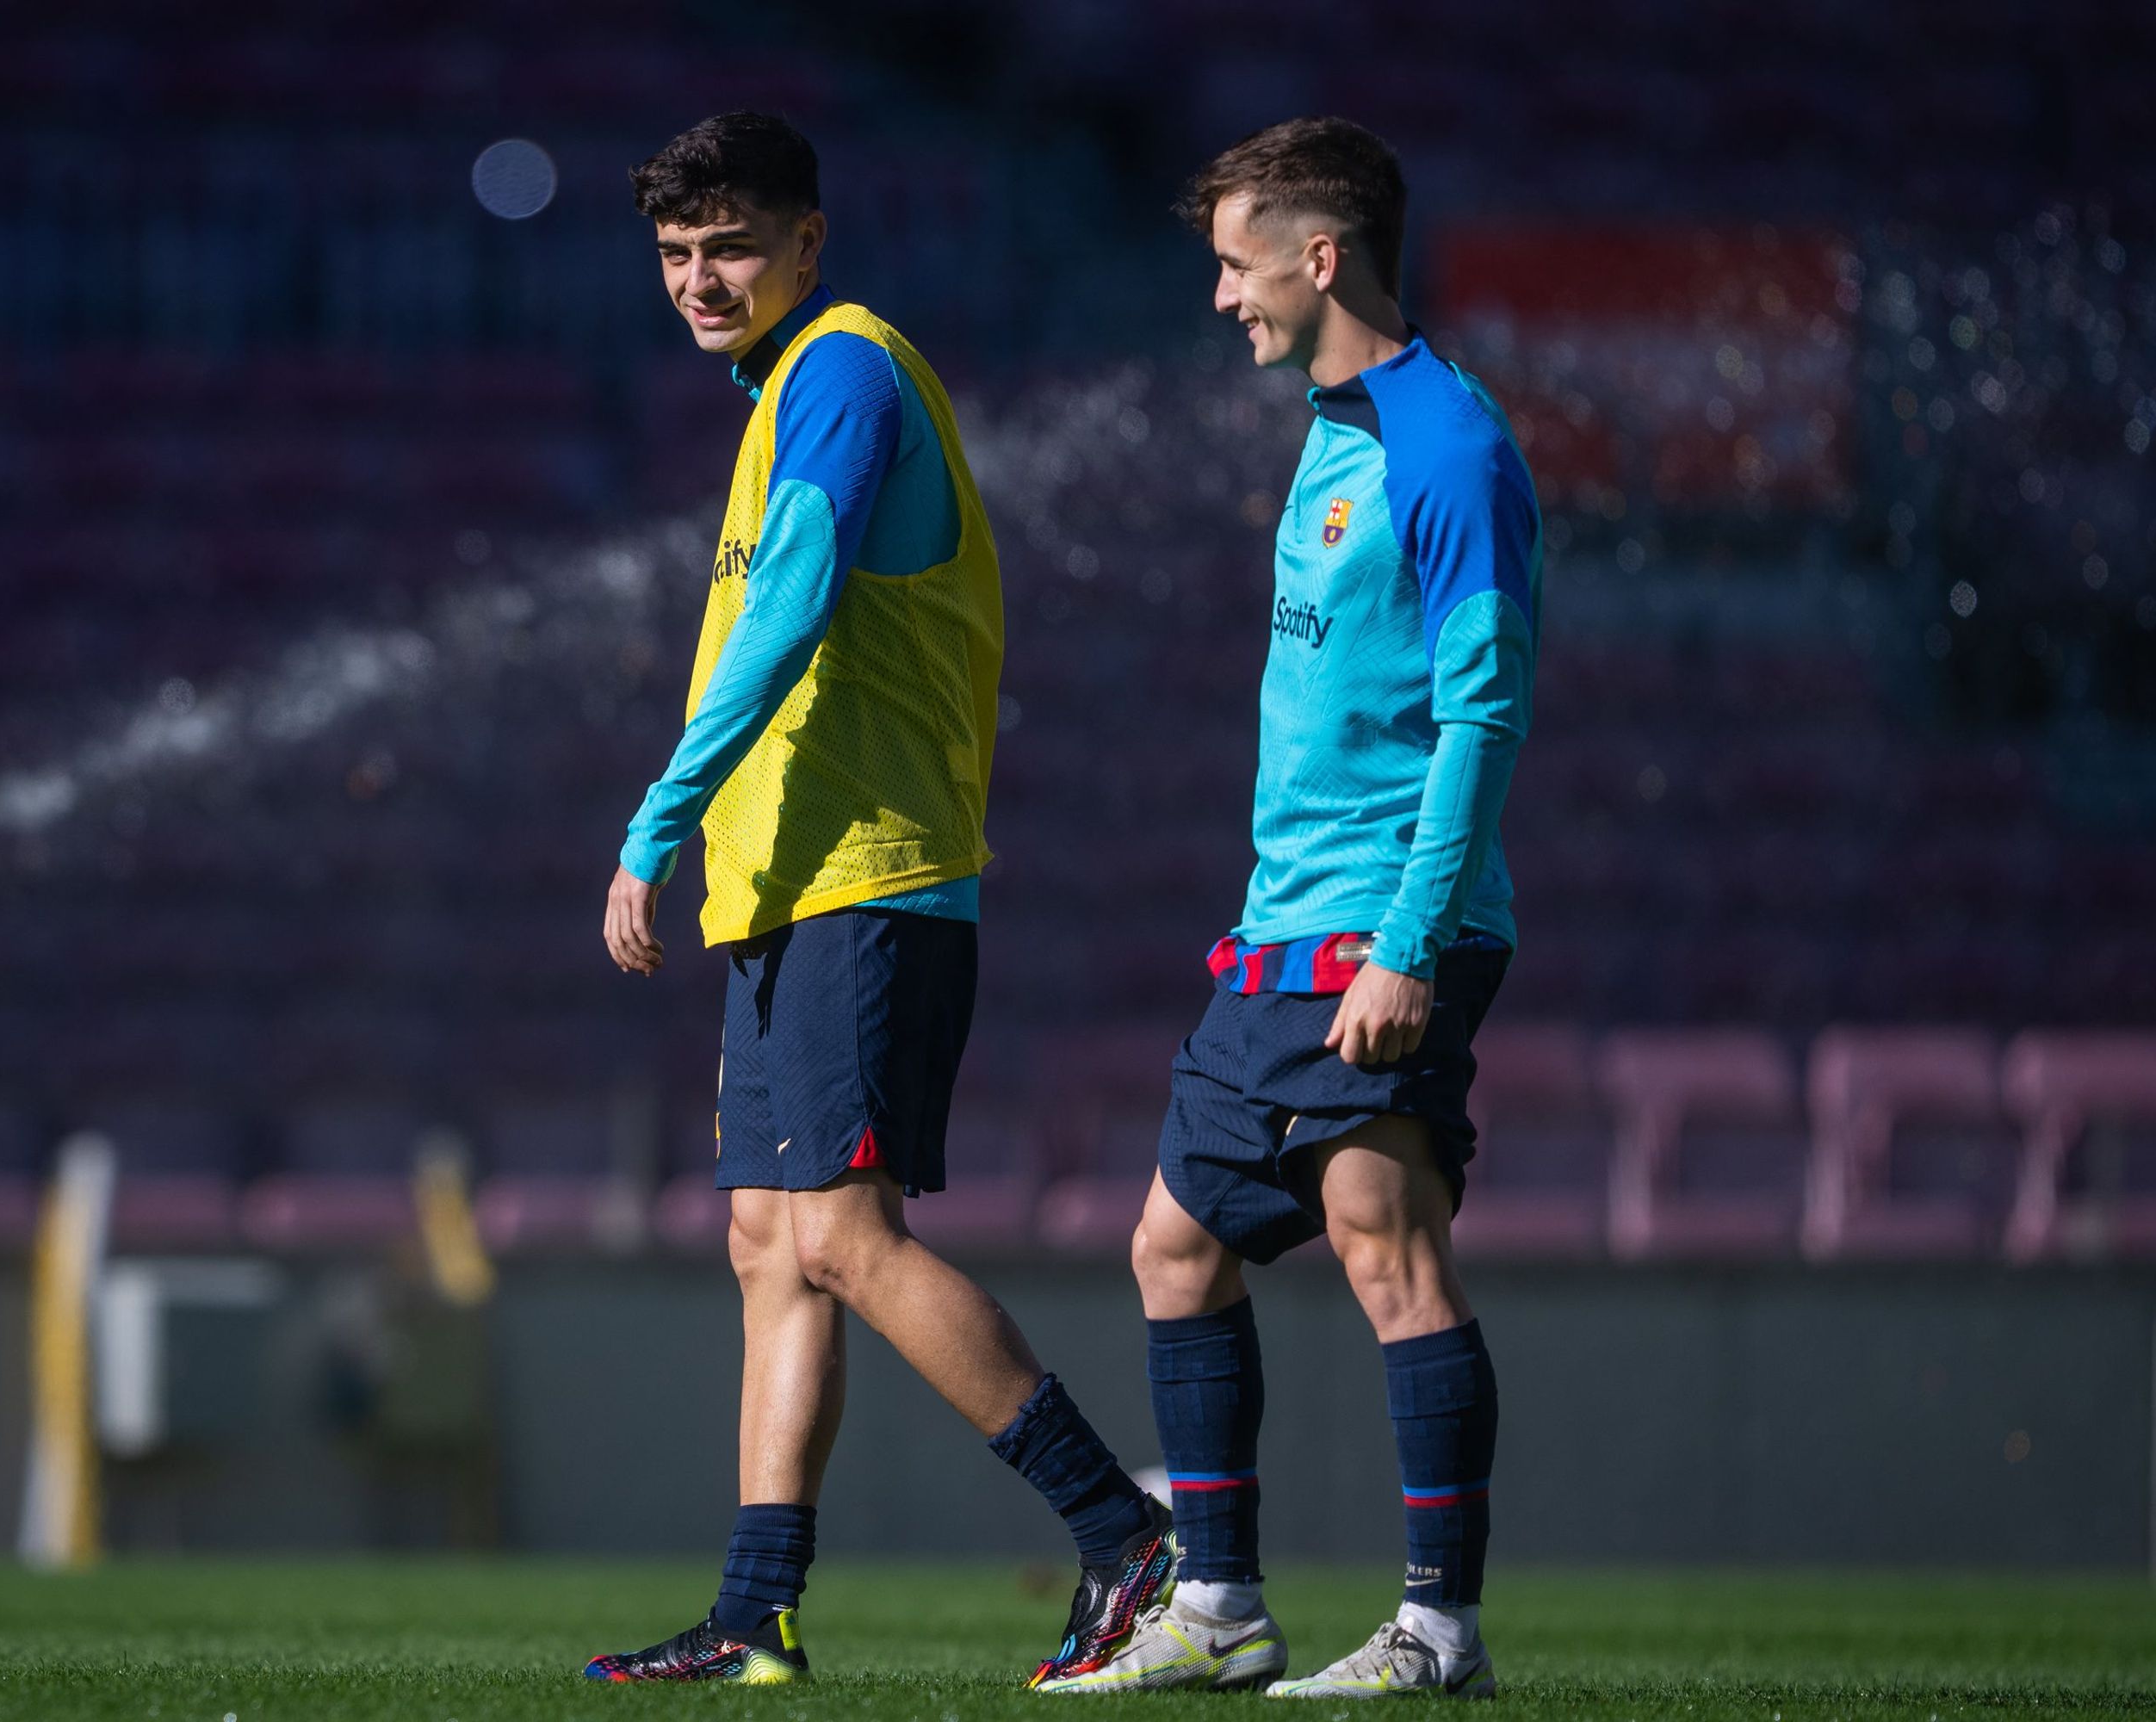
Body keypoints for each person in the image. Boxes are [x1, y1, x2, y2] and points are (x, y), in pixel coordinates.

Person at [583, 111, 1172, 1688]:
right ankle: (754, 1616)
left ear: (809, 240)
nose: (702, 279)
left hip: (874, 880)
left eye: (733, 247)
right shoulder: (782, 386)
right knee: (771, 1247)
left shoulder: (841, 367)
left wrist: (658, 818)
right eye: (676, 254)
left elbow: (795, 600)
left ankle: (1128, 1540)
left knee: (841, 1236)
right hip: (791, 893)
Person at [1038, 117, 1539, 1699]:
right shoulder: (1331, 432)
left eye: (1236, 266)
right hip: (1279, 927)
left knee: (1382, 1236)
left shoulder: (1446, 446)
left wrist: (1405, 940)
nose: (1220, 299)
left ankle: (1437, 1630)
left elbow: (1484, 714)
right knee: (1175, 1247)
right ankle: (1223, 1606)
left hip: (1386, 921)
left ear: (1321, 259)